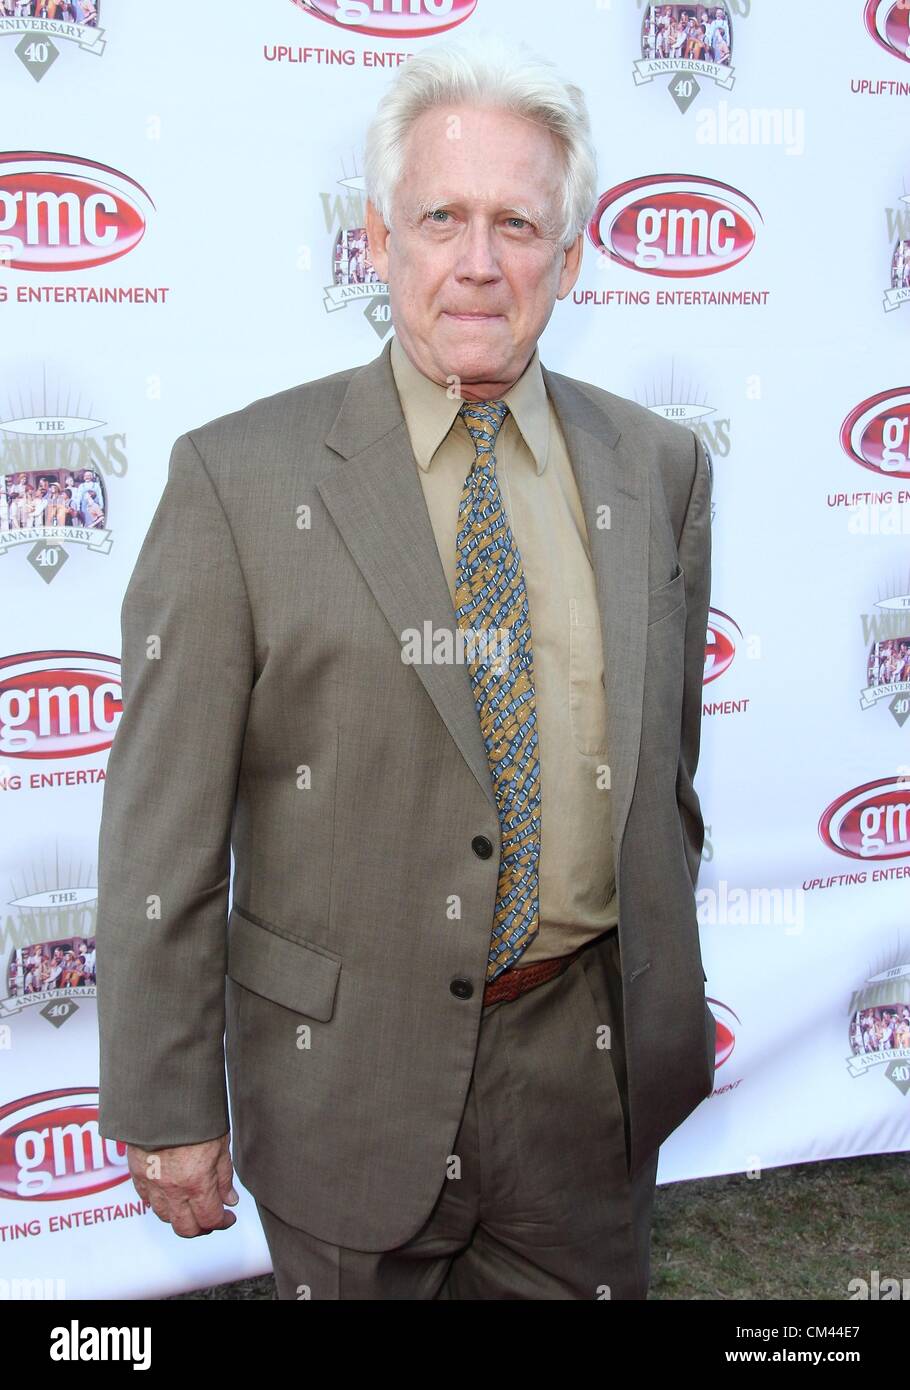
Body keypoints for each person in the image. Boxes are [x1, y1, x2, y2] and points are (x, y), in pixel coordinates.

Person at [96, 30, 714, 1301]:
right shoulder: (239, 483)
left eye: (518, 224)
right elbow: (161, 826)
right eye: (441, 217)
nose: (479, 264)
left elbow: (668, 774)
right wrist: (164, 1098)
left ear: (573, 254)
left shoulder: (657, 470)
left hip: (577, 1088)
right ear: (376, 243)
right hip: (342, 1085)